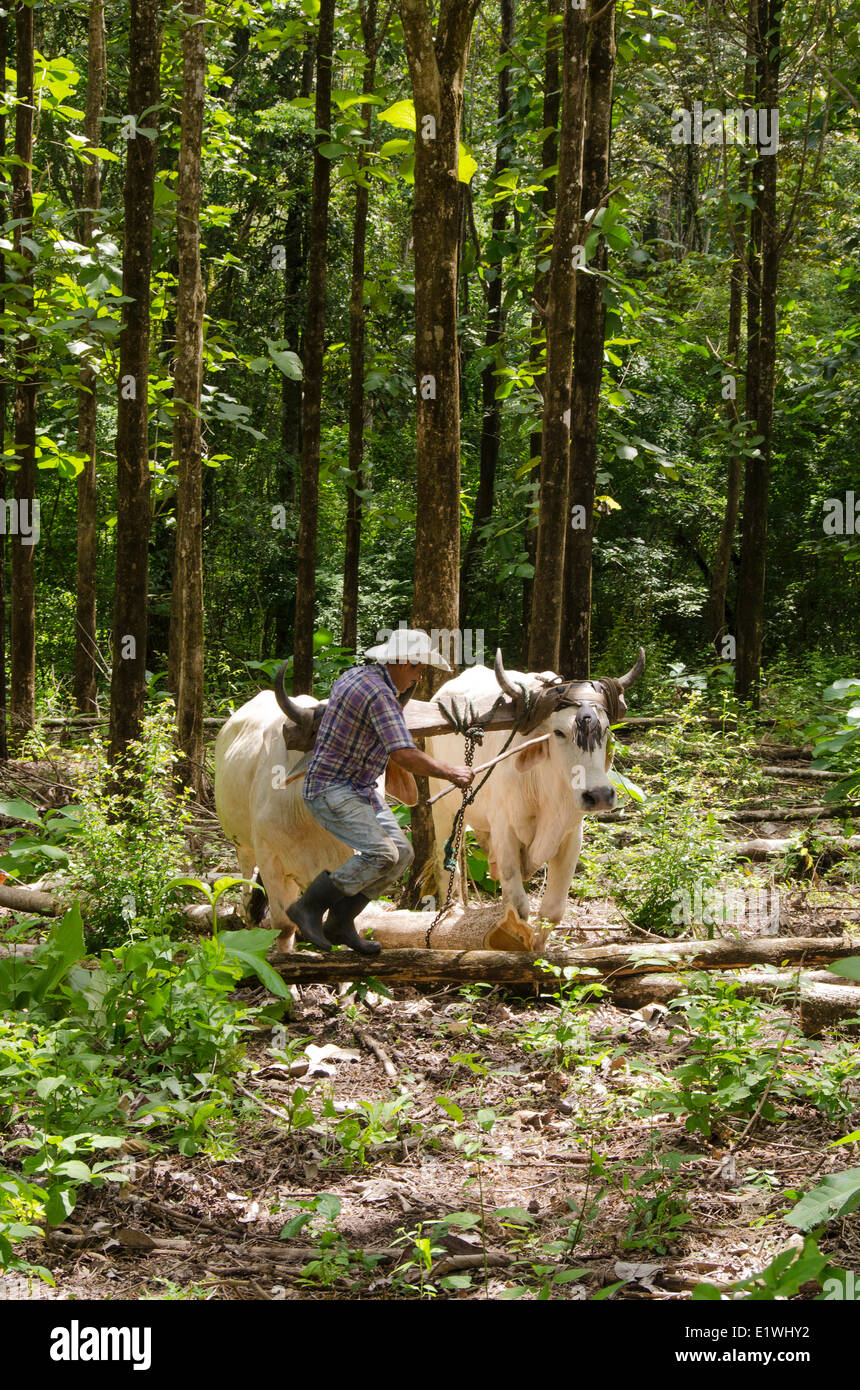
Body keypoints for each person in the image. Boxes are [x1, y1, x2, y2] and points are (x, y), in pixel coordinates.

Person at [286, 629, 473, 956]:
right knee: (382, 854)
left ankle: (341, 922)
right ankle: (308, 908)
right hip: (332, 788)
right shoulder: (380, 696)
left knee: (402, 854)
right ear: (401, 661)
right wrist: (451, 770)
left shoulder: (355, 676)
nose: (419, 676)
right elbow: (403, 753)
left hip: (359, 788)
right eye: (417, 667)